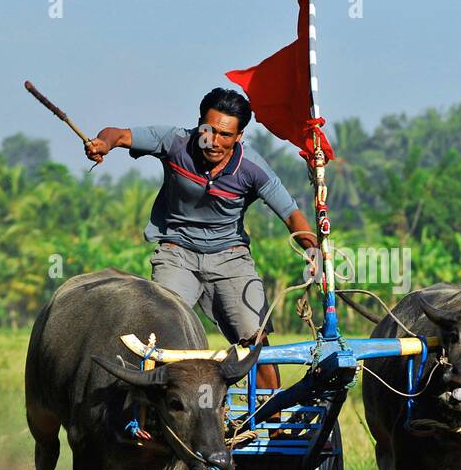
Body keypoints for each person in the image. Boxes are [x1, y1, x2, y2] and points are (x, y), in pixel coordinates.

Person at [85, 87, 317, 392]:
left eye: (225, 135)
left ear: (239, 136)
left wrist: (313, 250)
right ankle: (153, 415)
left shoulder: (252, 168)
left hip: (230, 258)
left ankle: (269, 420)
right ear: (198, 124)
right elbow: (119, 134)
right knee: (160, 332)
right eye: (208, 131)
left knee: (254, 337)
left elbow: (291, 216)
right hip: (176, 253)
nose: (214, 142)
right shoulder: (174, 142)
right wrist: (104, 143)